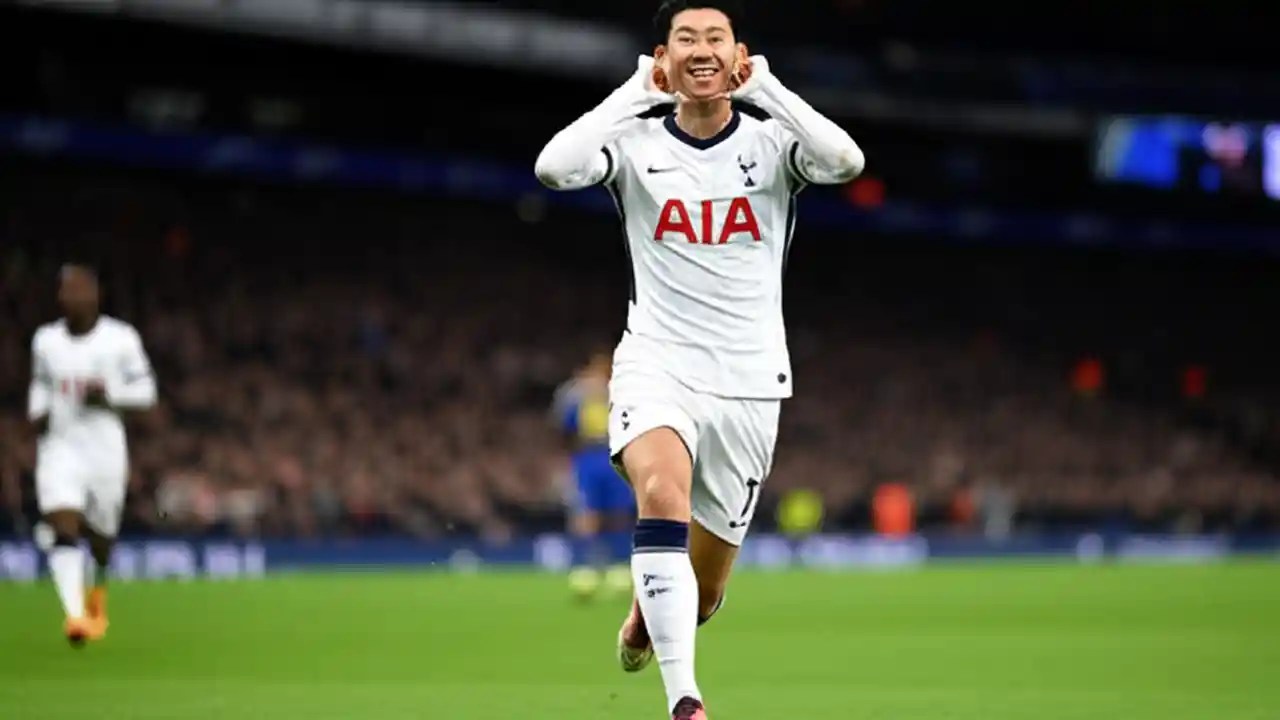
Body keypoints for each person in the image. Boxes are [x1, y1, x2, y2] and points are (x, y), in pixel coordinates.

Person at [534, 2, 863, 717]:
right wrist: (635, 92)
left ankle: (649, 619)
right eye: (686, 39)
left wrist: (766, 88)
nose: (702, 49)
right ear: (665, 54)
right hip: (658, 364)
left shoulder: (775, 145)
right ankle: (685, 701)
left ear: (737, 50)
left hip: (748, 384)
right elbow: (553, 169)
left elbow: (847, 162)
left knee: (705, 592)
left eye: (716, 38)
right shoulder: (636, 144)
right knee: (661, 497)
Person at [28, 264, 157, 645]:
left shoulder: (120, 339)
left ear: (96, 295)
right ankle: (76, 617)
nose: (72, 297)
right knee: (62, 522)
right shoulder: (46, 341)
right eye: (66, 290)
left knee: (102, 537)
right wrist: (38, 412)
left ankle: (97, 590)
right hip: (60, 446)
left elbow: (147, 394)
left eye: (80, 290)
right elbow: (40, 383)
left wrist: (110, 398)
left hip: (105, 450)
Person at [551, 349, 635, 599]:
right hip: (587, 459)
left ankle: (620, 568)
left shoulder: (622, 392)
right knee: (587, 515)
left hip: (615, 455)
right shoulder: (573, 396)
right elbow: (562, 429)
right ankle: (584, 569)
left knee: (619, 514)